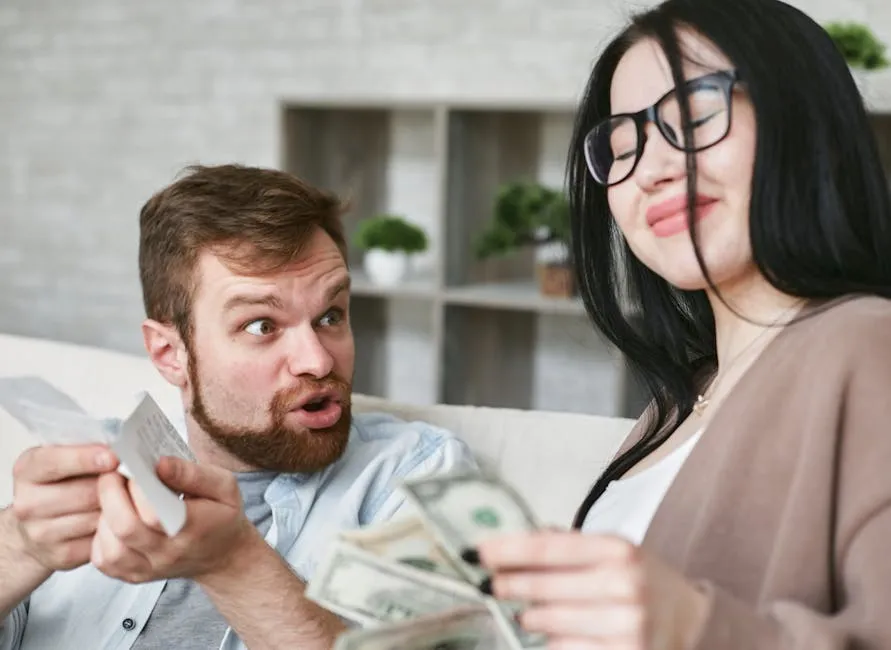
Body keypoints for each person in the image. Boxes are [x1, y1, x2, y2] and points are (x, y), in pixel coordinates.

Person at [467, 0, 891, 648]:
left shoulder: (868, 344)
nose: (654, 168)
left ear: (803, 123)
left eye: (694, 118)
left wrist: (691, 625)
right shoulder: (678, 400)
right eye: (621, 144)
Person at [0, 164, 476, 650]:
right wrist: (19, 543)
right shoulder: (86, 469)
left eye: (330, 315)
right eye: (262, 326)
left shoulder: (419, 477)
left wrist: (232, 563)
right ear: (170, 354)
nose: (318, 359)